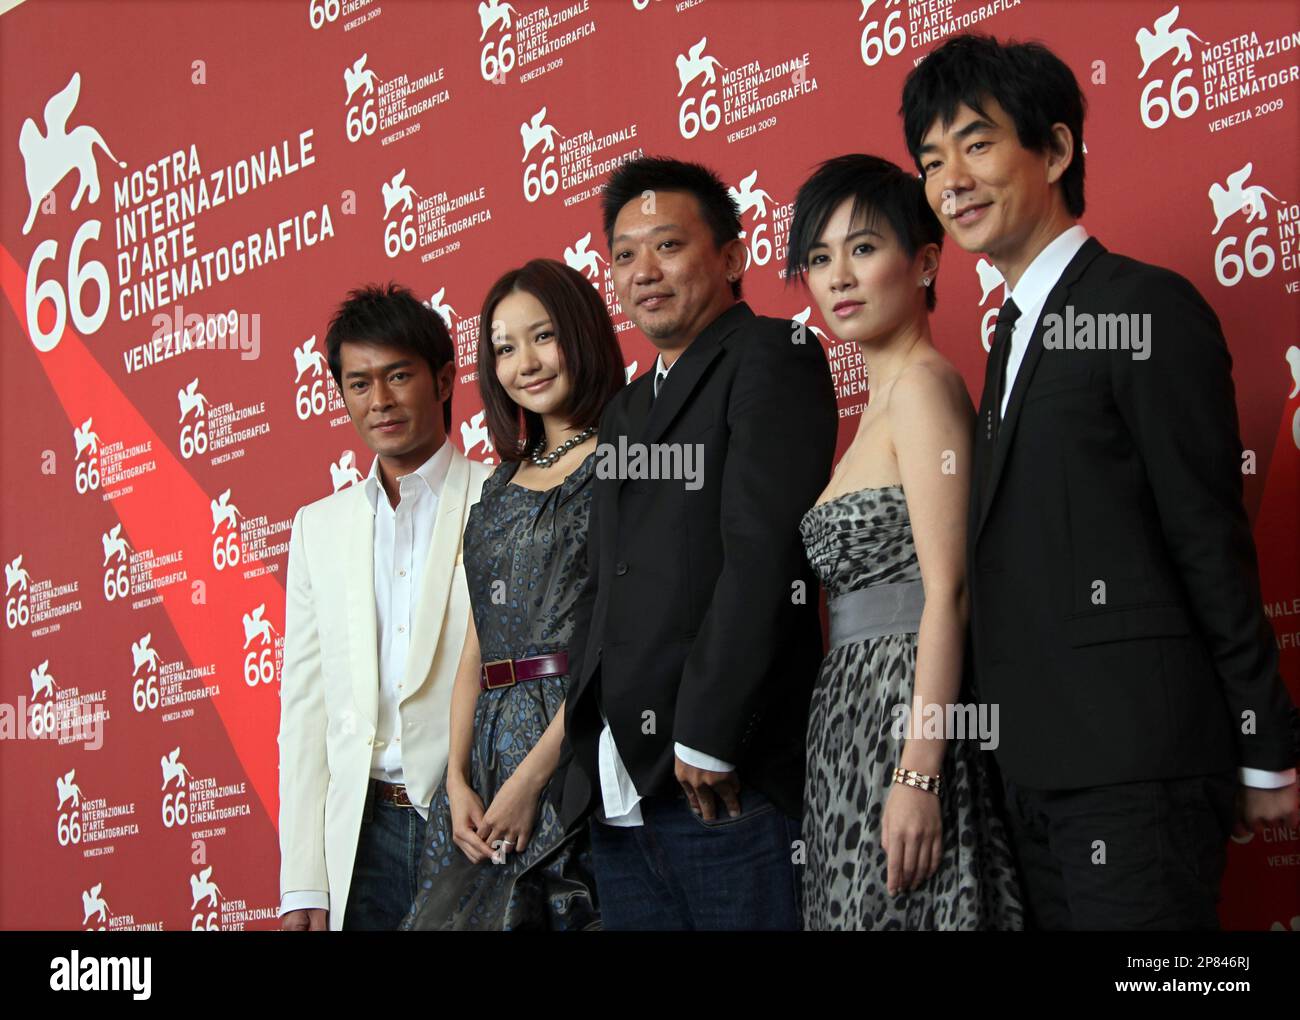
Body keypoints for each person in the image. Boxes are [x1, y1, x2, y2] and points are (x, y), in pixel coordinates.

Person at [902, 33, 1299, 930]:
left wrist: (1263, 744)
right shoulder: (1006, 339)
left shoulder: (1139, 307)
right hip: (1036, 771)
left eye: (975, 143)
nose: (950, 179)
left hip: (1136, 768)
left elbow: (1206, 533)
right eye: (931, 160)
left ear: (1055, 148)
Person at [559, 155, 838, 930]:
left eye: (668, 246)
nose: (643, 271)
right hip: (620, 796)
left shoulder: (772, 356)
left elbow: (766, 555)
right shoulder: (622, 412)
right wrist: (584, 749)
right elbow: (603, 584)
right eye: (624, 254)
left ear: (732, 257)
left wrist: (710, 735)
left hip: (723, 785)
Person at [787, 154, 1023, 930]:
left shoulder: (923, 388)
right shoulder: (875, 407)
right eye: (819, 259)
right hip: (849, 721)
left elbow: (948, 590)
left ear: (924, 261)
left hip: (906, 720)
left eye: (862, 248)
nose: (838, 278)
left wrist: (919, 772)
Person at [402, 259, 623, 930]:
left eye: (543, 336)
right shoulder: (497, 485)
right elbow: (478, 642)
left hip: (573, 739)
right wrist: (458, 777)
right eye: (503, 347)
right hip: (482, 756)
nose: (524, 362)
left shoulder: (624, 459)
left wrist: (530, 783)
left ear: (582, 334)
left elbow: (620, 637)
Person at [279, 283, 491, 931]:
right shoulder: (319, 527)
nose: (381, 401)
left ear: (445, 377)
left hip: (470, 824)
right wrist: (303, 883)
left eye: (399, 376)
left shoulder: (502, 499)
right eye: (359, 383)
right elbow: (306, 706)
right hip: (358, 835)